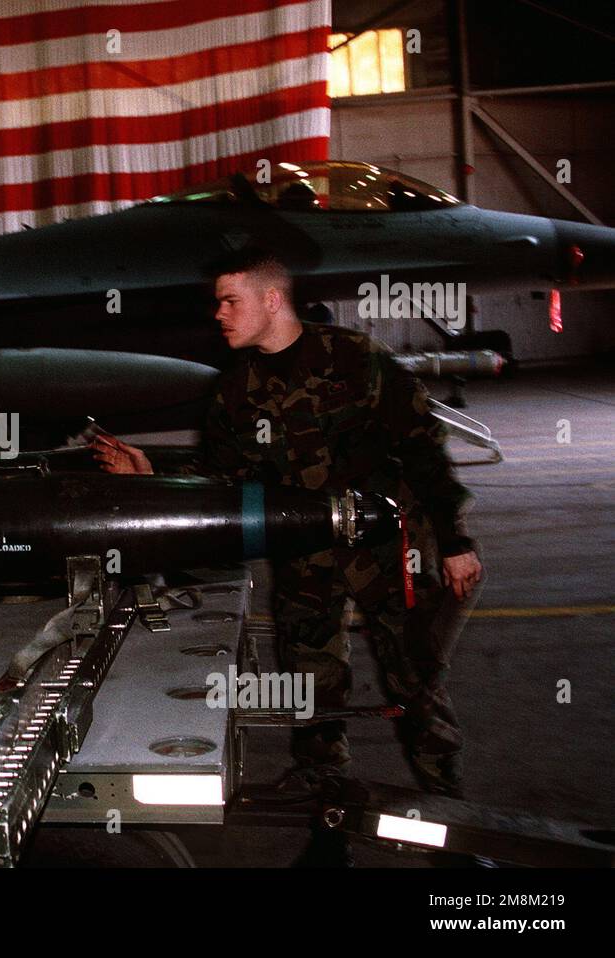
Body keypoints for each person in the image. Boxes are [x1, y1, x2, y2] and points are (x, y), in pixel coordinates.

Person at [94, 248, 483, 804]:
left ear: (271, 300)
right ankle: (324, 789)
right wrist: (151, 469)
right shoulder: (234, 392)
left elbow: (423, 448)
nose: (219, 314)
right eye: (217, 303)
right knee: (309, 676)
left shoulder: (353, 358)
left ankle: (446, 791)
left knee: (413, 677)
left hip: (391, 546)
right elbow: (221, 479)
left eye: (231, 301)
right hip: (305, 555)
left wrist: (455, 541)